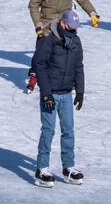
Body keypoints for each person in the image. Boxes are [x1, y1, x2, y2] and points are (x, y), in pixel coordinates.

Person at [24, 0, 100, 92]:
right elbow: (33, 5)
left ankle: (67, 82)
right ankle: (35, 76)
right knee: (42, 51)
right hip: (47, 24)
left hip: (65, 22)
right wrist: (38, 24)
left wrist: (92, 13)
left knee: (68, 52)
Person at [32, 10, 86, 186]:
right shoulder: (48, 39)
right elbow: (40, 66)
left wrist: (80, 90)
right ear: (63, 24)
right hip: (51, 93)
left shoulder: (75, 41)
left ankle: (68, 167)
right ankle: (42, 169)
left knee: (68, 130)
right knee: (48, 130)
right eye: (71, 27)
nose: (73, 31)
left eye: (75, 28)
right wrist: (46, 93)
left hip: (66, 93)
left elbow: (78, 66)